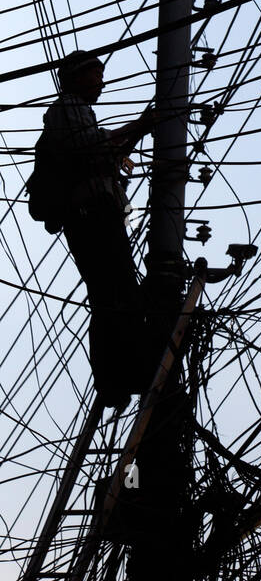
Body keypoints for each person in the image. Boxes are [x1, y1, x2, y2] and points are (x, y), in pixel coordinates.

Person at [39, 50, 156, 408]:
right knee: (112, 294)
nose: (101, 81)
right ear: (75, 77)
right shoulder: (69, 108)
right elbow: (92, 150)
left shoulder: (80, 114)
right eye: (95, 74)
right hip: (91, 214)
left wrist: (139, 128)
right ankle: (116, 378)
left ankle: (121, 377)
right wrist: (139, 125)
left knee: (116, 292)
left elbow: (105, 154)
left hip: (97, 214)